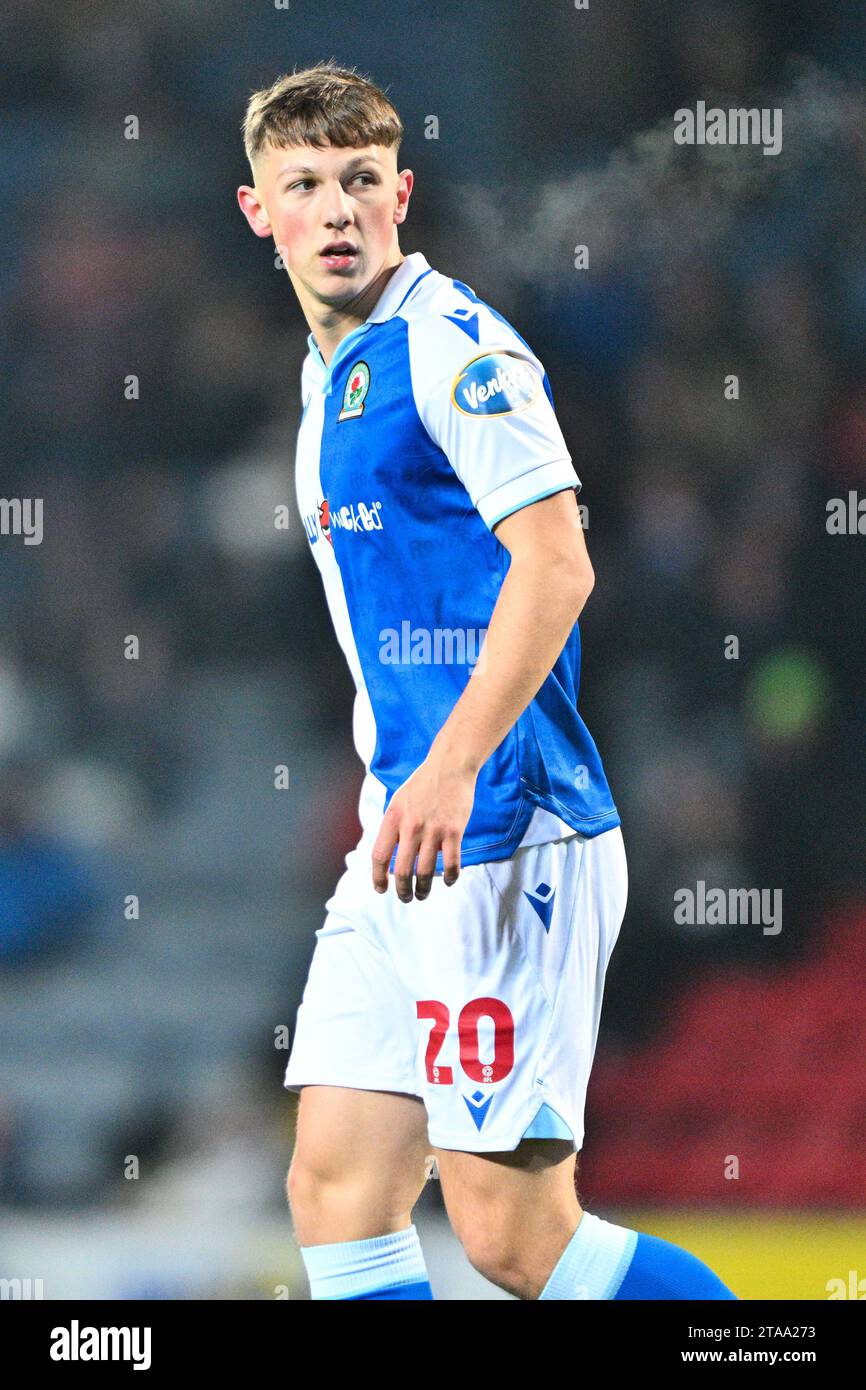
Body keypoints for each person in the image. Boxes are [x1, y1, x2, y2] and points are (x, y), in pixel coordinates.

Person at [237, 60, 737, 1301]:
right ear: (261, 214)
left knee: (513, 1236)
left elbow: (558, 565)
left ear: (401, 194)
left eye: (360, 181)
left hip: (505, 825)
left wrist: (453, 765)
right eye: (305, 185)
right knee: (336, 1185)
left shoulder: (453, 349)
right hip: (403, 833)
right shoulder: (327, 371)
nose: (337, 210)